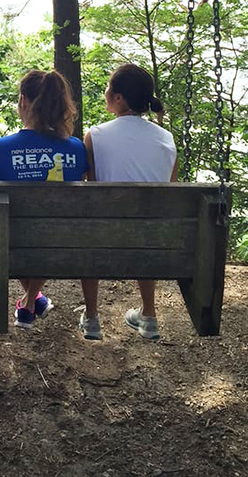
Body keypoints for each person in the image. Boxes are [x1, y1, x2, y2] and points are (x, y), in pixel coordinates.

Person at [80, 63, 178, 341]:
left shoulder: (96, 135)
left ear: (119, 98)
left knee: (88, 228)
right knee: (147, 221)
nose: (105, 91)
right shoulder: (167, 139)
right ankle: (148, 315)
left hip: (104, 237)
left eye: (108, 88)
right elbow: (168, 189)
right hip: (151, 240)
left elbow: (93, 182)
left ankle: (91, 318)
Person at [0, 69, 88, 329]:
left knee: (9, 228)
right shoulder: (76, 148)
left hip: (11, 240)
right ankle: (33, 300)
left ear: (23, 102)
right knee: (49, 229)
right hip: (61, 241)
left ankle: (31, 300)